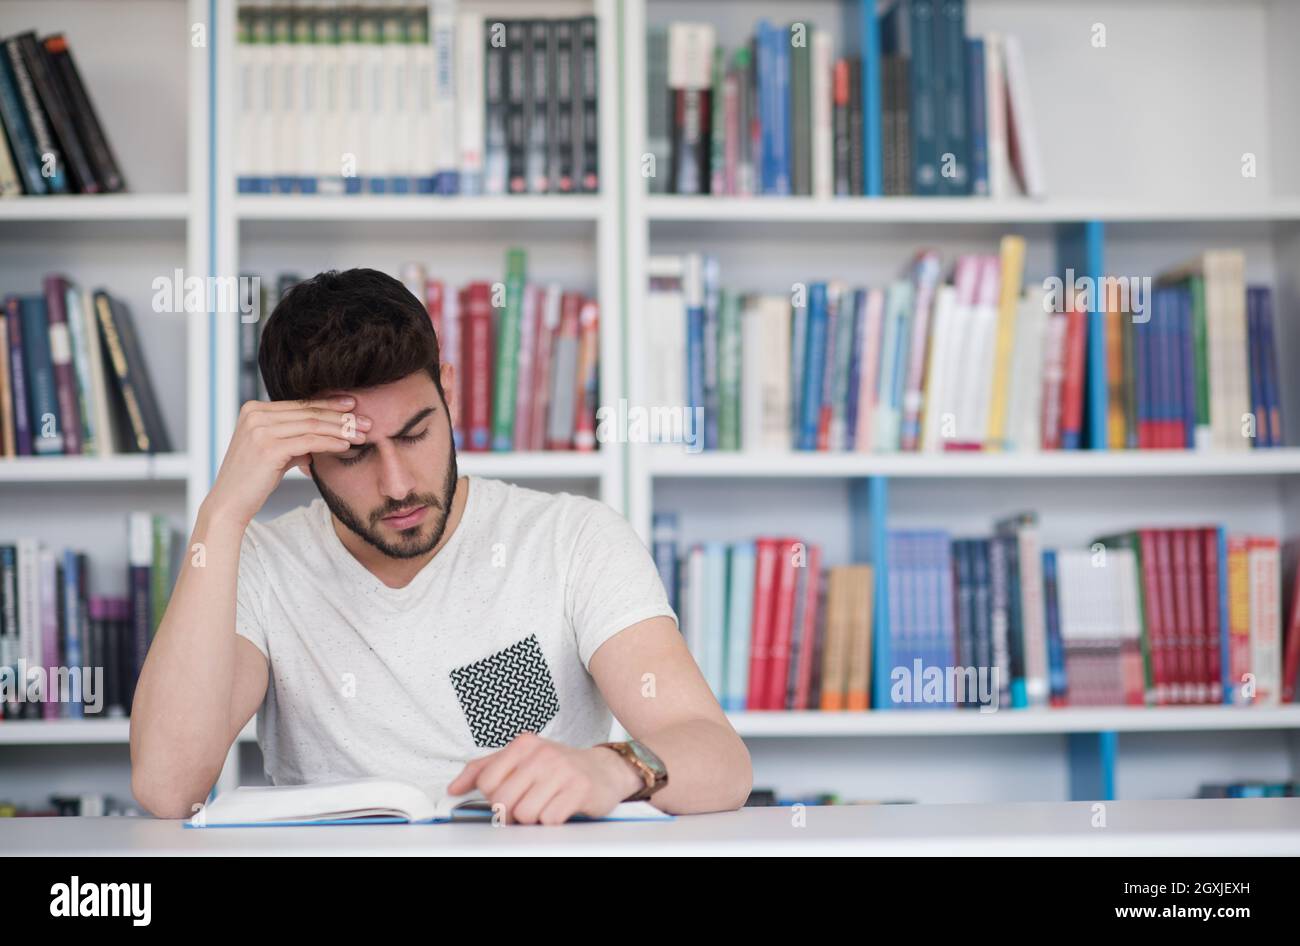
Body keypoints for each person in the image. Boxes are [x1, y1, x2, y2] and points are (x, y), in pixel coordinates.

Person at [129, 268, 751, 824]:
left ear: (448, 394)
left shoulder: (574, 540)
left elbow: (718, 757)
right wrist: (220, 514)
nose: (397, 485)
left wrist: (614, 769)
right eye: (352, 454)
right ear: (297, 452)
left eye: (416, 433)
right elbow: (167, 787)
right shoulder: (259, 567)